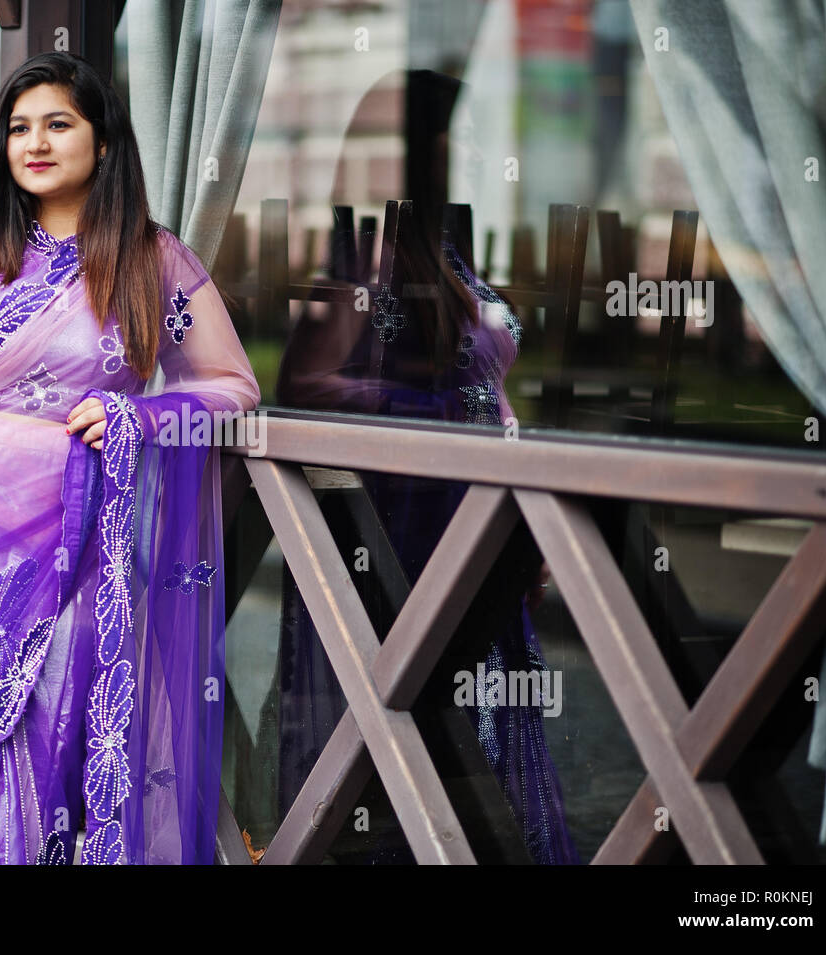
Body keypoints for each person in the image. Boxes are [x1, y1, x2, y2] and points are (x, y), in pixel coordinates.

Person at [0, 51, 260, 865]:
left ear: (103, 143)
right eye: (18, 127)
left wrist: (140, 414)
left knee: (49, 743)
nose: (34, 142)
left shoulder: (151, 260)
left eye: (58, 124)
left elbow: (233, 386)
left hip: (68, 554)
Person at [273, 68, 579, 864]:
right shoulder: (369, 260)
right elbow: (303, 389)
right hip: (415, 515)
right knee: (417, 707)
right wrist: (433, 417)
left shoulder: (451, 249)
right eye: (443, 138)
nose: (459, 152)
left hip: (487, 504)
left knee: (479, 700)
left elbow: (489, 381)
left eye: (464, 135)